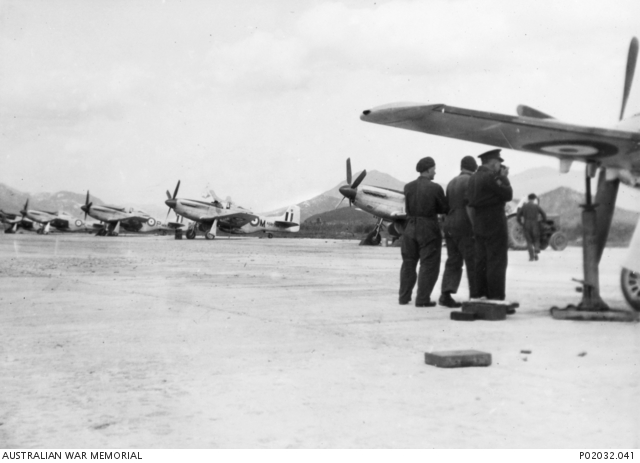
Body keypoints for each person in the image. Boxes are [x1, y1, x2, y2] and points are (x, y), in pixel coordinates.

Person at [399, 157, 448, 307]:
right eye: (434, 168)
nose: (435, 171)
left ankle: (404, 297)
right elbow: (443, 208)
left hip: (410, 227)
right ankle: (422, 299)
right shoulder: (435, 188)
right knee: (429, 264)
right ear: (428, 170)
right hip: (427, 227)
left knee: (408, 263)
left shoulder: (408, 187)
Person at [466, 149, 513, 301]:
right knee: (496, 260)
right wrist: (504, 178)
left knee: (481, 260)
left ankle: (479, 294)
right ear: (493, 163)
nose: (500, 167)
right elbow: (507, 194)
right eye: (499, 164)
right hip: (494, 220)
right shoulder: (491, 177)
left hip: (479, 221)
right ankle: (496, 296)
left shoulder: (473, 178)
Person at [439, 155, 479, 307]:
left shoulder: (451, 182)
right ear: (474, 167)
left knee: (453, 260)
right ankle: (475, 296)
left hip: (450, 224)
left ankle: (445, 295)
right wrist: (475, 226)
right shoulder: (471, 181)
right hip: (464, 224)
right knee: (472, 261)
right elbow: (469, 206)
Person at [517, 193, 547, 261]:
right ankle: (536, 251)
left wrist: (520, 223)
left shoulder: (524, 206)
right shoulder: (536, 206)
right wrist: (544, 221)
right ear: (534, 199)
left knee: (529, 241)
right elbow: (543, 214)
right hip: (535, 224)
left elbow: (518, 216)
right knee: (536, 239)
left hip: (526, 224)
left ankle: (531, 257)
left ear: (528, 199)